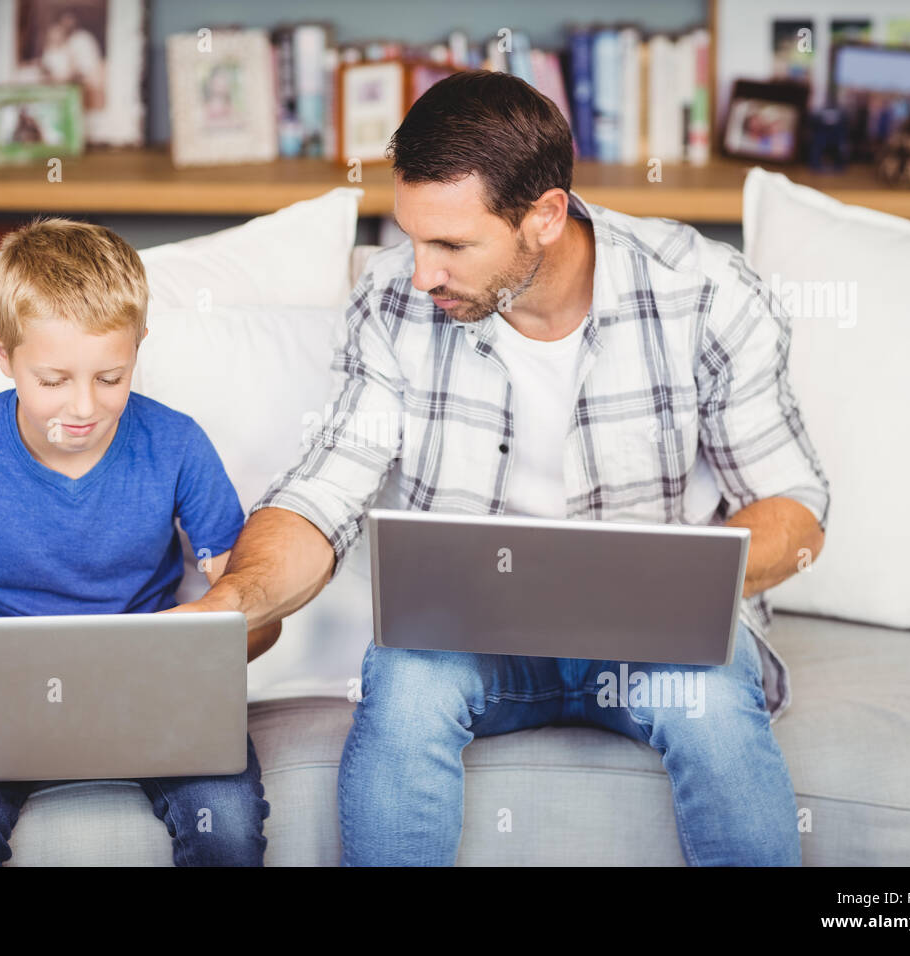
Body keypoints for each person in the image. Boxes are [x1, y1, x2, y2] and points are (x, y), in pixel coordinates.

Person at [170, 70, 831, 866]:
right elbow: (324, 492)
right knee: (405, 680)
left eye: (452, 244)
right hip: (468, 638)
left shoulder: (704, 290)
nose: (422, 273)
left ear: (545, 216)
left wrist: (659, 587)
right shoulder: (390, 300)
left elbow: (792, 505)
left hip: (655, 638)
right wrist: (235, 603)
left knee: (714, 703)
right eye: (413, 237)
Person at [0, 217, 277, 866]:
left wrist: (205, 648)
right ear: (2, 356)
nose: (83, 407)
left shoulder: (177, 444)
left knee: (225, 823)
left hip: (153, 698)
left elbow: (251, 595)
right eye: (53, 380)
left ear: (140, 345)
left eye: (110, 378)